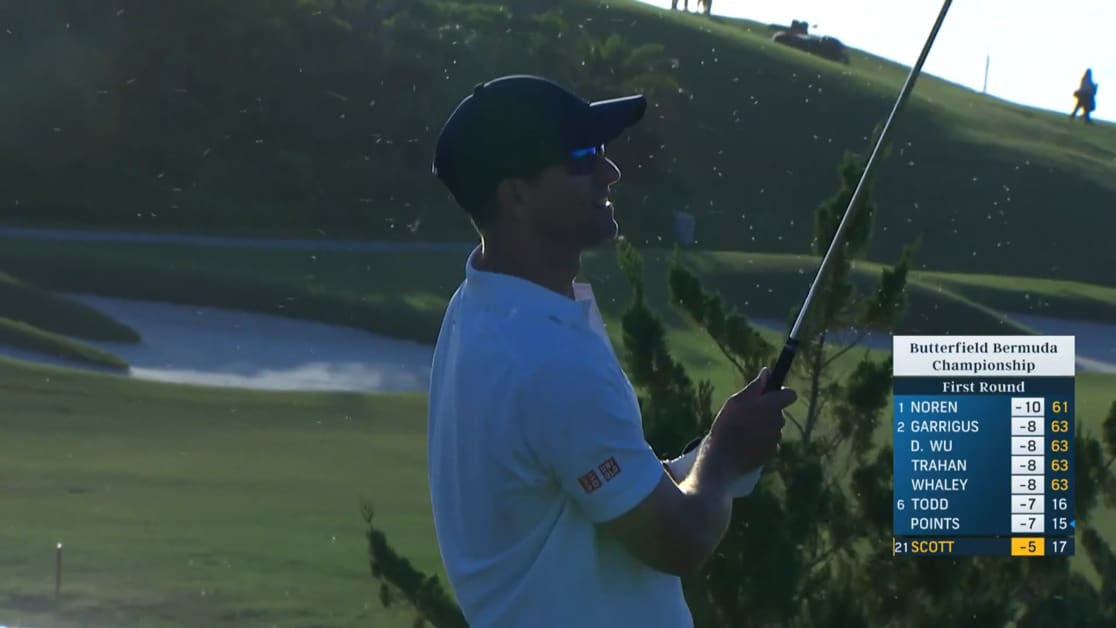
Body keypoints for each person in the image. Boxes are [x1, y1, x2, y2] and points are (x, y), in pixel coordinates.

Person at [426, 74, 797, 628]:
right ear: (517, 195)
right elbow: (679, 541)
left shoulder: (481, 308)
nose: (609, 170)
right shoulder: (547, 358)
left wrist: (713, 451)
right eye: (581, 157)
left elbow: (592, 487)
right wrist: (721, 461)